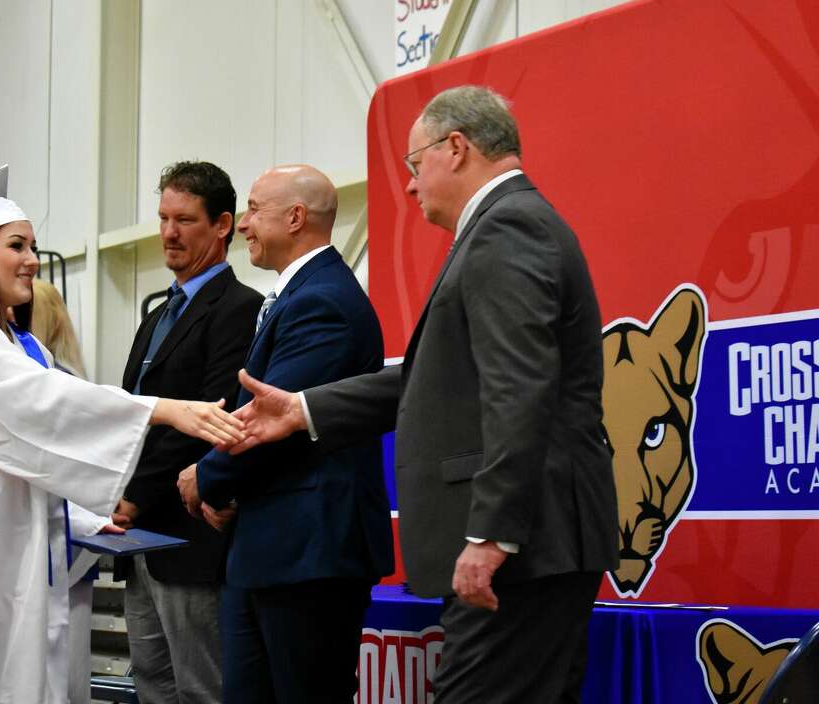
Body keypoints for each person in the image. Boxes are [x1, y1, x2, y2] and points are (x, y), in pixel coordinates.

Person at [229, 87, 620, 703]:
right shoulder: (501, 229)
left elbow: (520, 392)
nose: (409, 187)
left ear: (456, 148)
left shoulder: (507, 228)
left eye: (414, 166)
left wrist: (492, 534)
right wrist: (305, 409)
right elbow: (432, 381)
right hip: (533, 542)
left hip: (524, 547)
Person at [0, 166, 243, 704]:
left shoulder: (18, 343)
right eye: (17, 246)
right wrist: (163, 409)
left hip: (8, 561)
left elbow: (34, 456)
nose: (33, 260)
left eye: (33, 245)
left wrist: (88, 518)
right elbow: (49, 408)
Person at [176, 165, 394, 704]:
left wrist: (206, 476)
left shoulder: (325, 303)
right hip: (274, 548)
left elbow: (276, 422)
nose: (243, 223)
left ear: (295, 217)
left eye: (254, 209)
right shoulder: (299, 297)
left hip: (308, 553)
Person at [113, 161, 263, 704]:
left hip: (190, 537)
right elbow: (134, 416)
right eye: (162, 218)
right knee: (153, 686)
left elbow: (204, 417)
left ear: (223, 225)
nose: (169, 234)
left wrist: (132, 496)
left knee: (202, 689)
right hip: (140, 540)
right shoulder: (156, 315)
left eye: (184, 220)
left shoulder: (241, 309)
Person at [28, 278, 93, 704]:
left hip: (63, 542)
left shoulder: (55, 383)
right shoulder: (61, 378)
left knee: (60, 673)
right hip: (62, 542)